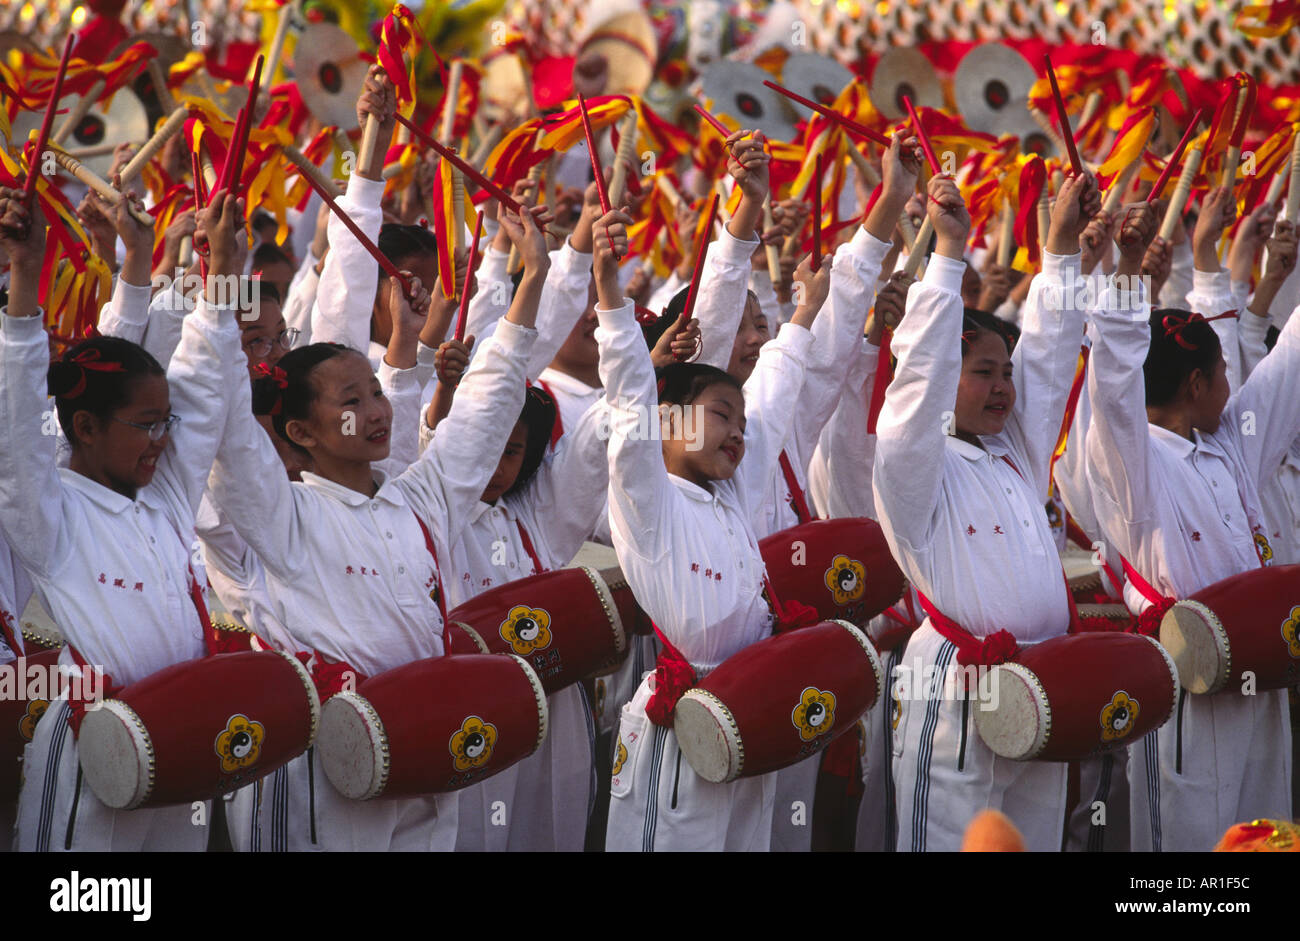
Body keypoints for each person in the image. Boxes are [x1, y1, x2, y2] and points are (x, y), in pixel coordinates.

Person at [202, 199, 549, 850]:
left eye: (379, 391)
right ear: (300, 430)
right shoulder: (281, 513)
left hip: (425, 742)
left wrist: (529, 280)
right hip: (317, 763)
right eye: (352, 400)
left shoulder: (419, 500)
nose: (378, 408)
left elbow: (487, 402)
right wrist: (222, 269)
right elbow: (223, 417)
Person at [1, 185, 248, 851]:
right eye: (145, 424)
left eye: (165, 422)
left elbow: (203, 381)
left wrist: (221, 280)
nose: (163, 439)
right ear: (83, 425)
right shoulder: (47, 512)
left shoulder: (166, 498)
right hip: (88, 751)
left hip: (181, 745)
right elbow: (17, 417)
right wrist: (26, 278)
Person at [595, 196, 831, 850]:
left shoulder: (733, 496)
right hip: (679, 725)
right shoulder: (650, 499)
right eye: (719, 414)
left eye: (739, 419)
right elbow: (627, 402)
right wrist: (611, 296)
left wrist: (806, 312)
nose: (737, 430)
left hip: (751, 715)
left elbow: (777, 391)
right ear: (668, 422)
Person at [874, 170, 1097, 851]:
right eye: (983, 372)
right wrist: (948, 253)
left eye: (1006, 371)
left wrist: (1059, 246)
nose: (1004, 387)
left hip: (1041, 681)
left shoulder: (1017, 456)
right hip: (954, 685)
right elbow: (918, 375)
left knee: (1032, 843)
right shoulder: (914, 463)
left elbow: (1052, 358)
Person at [1085, 185, 1299, 851]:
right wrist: (1123, 270)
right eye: (1221, 374)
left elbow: (1290, 361)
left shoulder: (1229, 442)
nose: (1236, 388)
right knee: (1189, 850)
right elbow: (1114, 375)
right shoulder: (1133, 462)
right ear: (1195, 387)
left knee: (1265, 832)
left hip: (1261, 673)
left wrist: (1214, 256)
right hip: (1185, 681)